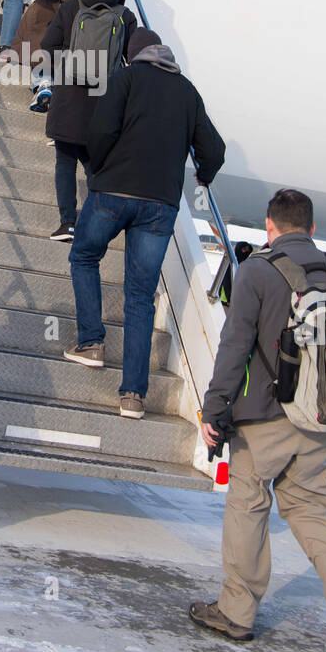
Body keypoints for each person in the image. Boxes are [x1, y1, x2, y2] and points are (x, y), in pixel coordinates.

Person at [189, 188, 326, 652]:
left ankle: (237, 611)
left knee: (248, 504)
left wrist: (214, 409)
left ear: (270, 227)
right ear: (311, 228)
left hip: (264, 419)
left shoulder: (255, 271)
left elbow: (234, 346)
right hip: (321, 418)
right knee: (311, 511)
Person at [67, 28, 225, 419]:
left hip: (113, 193)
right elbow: (214, 150)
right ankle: (133, 396)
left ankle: (91, 342)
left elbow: (100, 131)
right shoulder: (188, 93)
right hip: (159, 206)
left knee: (84, 256)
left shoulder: (126, 78)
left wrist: (99, 169)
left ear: (131, 55)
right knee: (140, 296)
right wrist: (204, 174)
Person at [39, 0, 138, 241]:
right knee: (96, 165)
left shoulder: (71, 6)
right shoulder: (124, 14)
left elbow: (48, 45)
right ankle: (96, 226)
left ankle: (67, 223)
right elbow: (133, 58)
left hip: (69, 98)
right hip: (104, 102)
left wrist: (72, 64)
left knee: (65, 161)